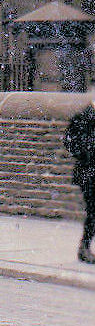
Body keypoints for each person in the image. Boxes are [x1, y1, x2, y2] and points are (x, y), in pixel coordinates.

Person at [63, 96, 95, 264]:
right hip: (89, 172)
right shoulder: (82, 118)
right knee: (93, 210)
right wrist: (86, 152)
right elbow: (69, 142)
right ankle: (84, 247)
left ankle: (85, 247)